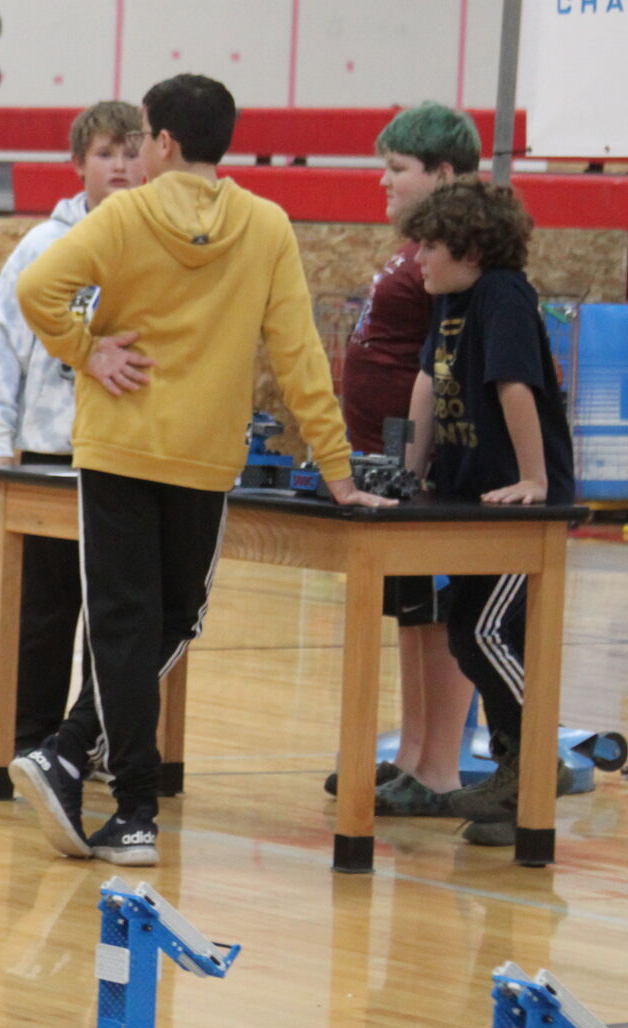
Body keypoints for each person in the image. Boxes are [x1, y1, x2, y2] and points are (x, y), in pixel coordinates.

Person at [11, 74, 390, 867]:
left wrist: (87, 351)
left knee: (124, 622)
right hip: (205, 457)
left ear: (165, 142)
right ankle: (101, 781)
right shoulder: (266, 225)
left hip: (118, 446)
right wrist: (337, 467)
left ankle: (102, 781)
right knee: (170, 620)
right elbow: (299, 354)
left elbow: (39, 287)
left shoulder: (124, 216)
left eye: (142, 137)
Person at [398, 180, 576, 839]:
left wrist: (534, 479)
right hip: (478, 500)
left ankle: (538, 755)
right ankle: (516, 773)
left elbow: (515, 386)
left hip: (519, 506)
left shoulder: (502, 295)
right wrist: (407, 472)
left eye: (430, 246)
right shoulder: (450, 298)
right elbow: (429, 384)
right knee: (470, 632)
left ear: (471, 250)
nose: (418, 257)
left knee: (482, 631)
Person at [0, 101, 143, 754]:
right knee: (43, 613)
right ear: (77, 164)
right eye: (105, 153)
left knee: (115, 618)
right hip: (49, 456)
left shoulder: (156, 247)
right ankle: (28, 742)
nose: (120, 166)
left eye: (131, 152)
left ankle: (92, 745)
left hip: (128, 458)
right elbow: (1, 349)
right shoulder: (43, 247)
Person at [327, 103, 482, 816]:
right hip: (395, 466)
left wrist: (428, 458)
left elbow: (457, 356)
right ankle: (414, 753)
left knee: (443, 614)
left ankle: (441, 769)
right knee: (415, 613)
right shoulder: (421, 244)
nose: (382, 180)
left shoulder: (459, 252)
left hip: (434, 467)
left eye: (397, 168)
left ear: (444, 173)